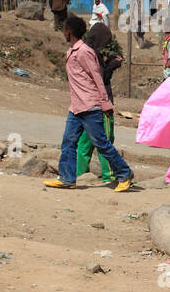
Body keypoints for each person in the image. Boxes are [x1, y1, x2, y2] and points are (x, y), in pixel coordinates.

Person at [43, 14, 134, 192]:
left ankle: (125, 173)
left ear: (69, 32)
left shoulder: (84, 52)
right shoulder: (71, 52)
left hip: (90, 106)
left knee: (101, 143)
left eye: (65, 29)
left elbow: (97, 77)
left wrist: (105, 103)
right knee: (68, 142)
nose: (63, 32)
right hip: (76, 108)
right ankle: (67, 178)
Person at [76, 21, 124, 184]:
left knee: (85, 142)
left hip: (87, 105)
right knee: (105, 141)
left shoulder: (84, 52)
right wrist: (113, 65)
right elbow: (100, 79)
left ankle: (79, 174)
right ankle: (109, 176)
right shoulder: (93, 55)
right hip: (101, 105)